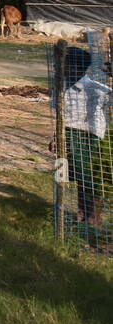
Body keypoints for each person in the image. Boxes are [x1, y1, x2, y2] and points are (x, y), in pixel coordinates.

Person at [60, 46, 113, 227]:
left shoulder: (95, 89)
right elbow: (60, 116)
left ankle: (94, 216)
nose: (63, 69)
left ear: (78, 68)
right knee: (75, 174)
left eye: (66, 65)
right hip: (67, 134)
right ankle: (82, 210)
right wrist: (55, 137)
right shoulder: (61, 87)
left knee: (89, 175)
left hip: (89, 136)